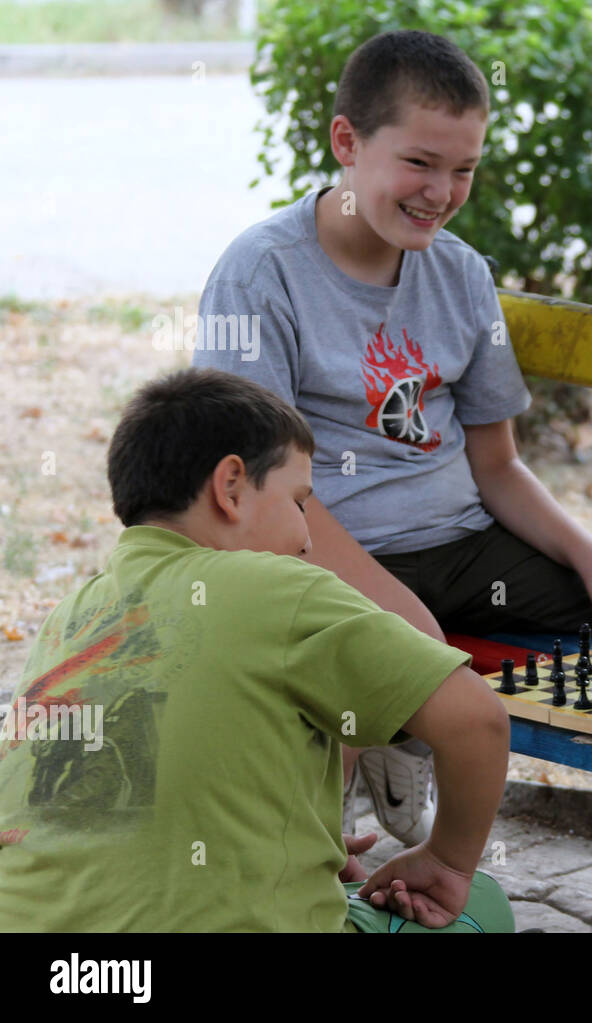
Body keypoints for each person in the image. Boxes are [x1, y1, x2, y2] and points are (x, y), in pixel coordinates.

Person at [192, 30, 592, 847]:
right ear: (347, 142)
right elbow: (261, 494)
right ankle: (316, 827)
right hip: (314, 552)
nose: (442, 192)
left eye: (464, 169)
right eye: (419, 163)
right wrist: (403, 624)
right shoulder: (261, 275)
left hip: (462, 546)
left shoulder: (460, 273)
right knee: (383, 650)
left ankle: (406, 741)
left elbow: (499, 464)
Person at [0, 368, 513, 933]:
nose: (308, 538)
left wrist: (300, 839)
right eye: (299, 501)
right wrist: (446, 862)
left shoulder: (68, 618)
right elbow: (478, 721)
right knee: (483, 905)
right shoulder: (279, 586)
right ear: (231, 487)